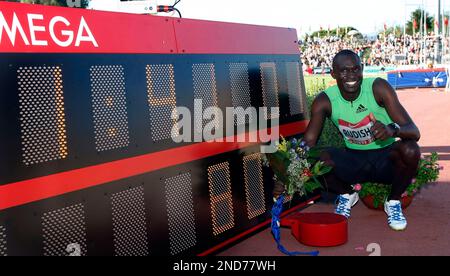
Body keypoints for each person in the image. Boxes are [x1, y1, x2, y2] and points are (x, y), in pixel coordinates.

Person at [274, 50, 421, 231]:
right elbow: (308, 143)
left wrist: (393, 129)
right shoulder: (325, 101)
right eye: (344, 71)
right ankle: (347, 193)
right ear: (333, 73)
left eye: (355, 69)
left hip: (386, 160)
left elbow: (414, 131)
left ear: (362, 69)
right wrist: (286, 174)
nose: (351, 76)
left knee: (411, 150)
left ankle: (393, 201)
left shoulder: (378, 88)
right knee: (315, 158)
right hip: (354, 160)